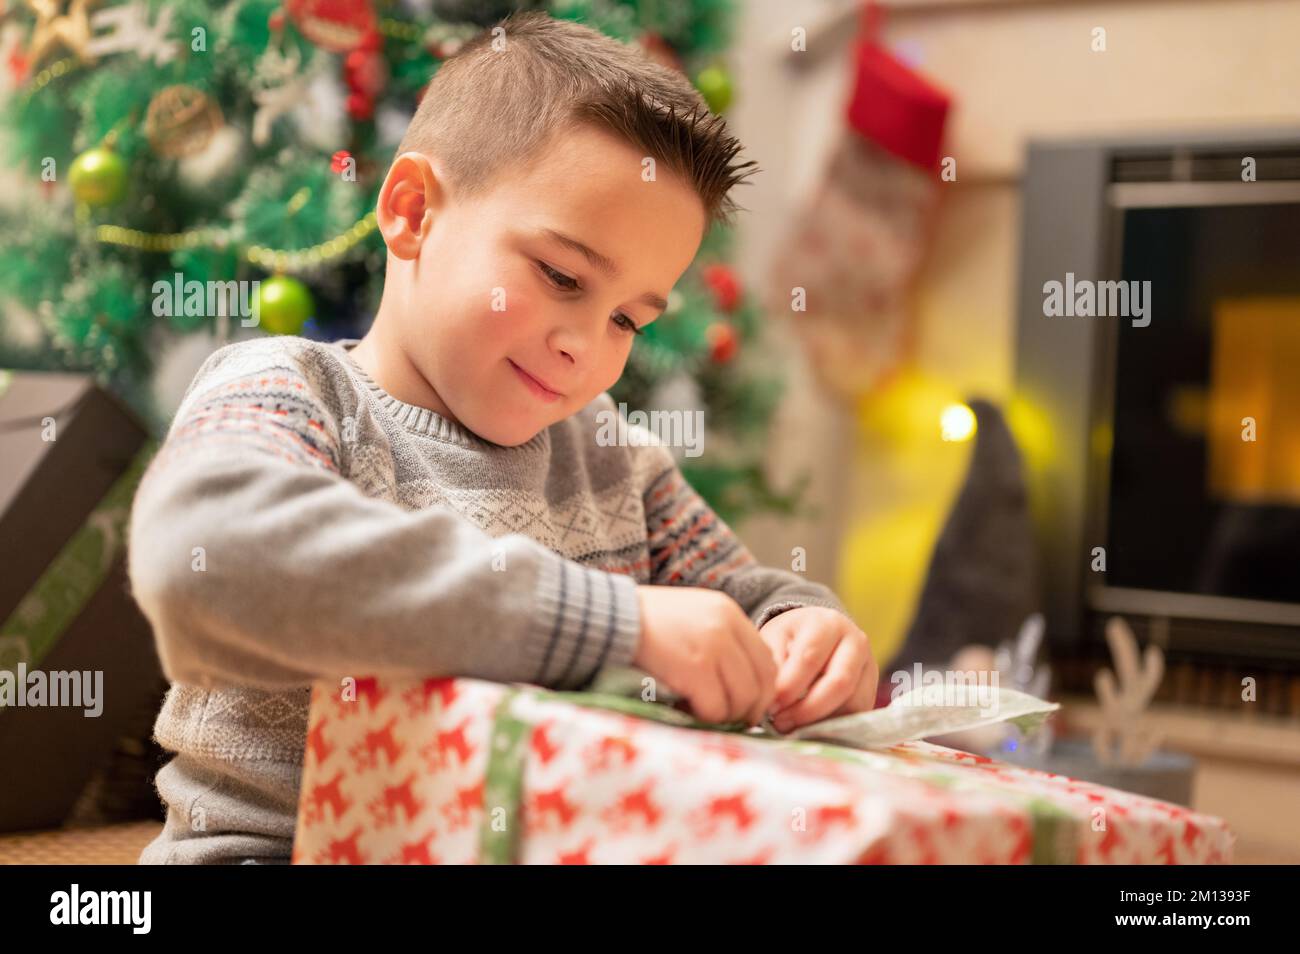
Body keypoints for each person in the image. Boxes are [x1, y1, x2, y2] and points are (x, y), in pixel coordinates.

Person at [129, 11, 876, 865]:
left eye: (629, 319)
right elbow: (208, 556)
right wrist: (611, 624)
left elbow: (736, 600)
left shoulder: (611, 456)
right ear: (412, 213)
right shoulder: (289, 390)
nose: (586, 346)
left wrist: (801, 629)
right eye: (561, 276)